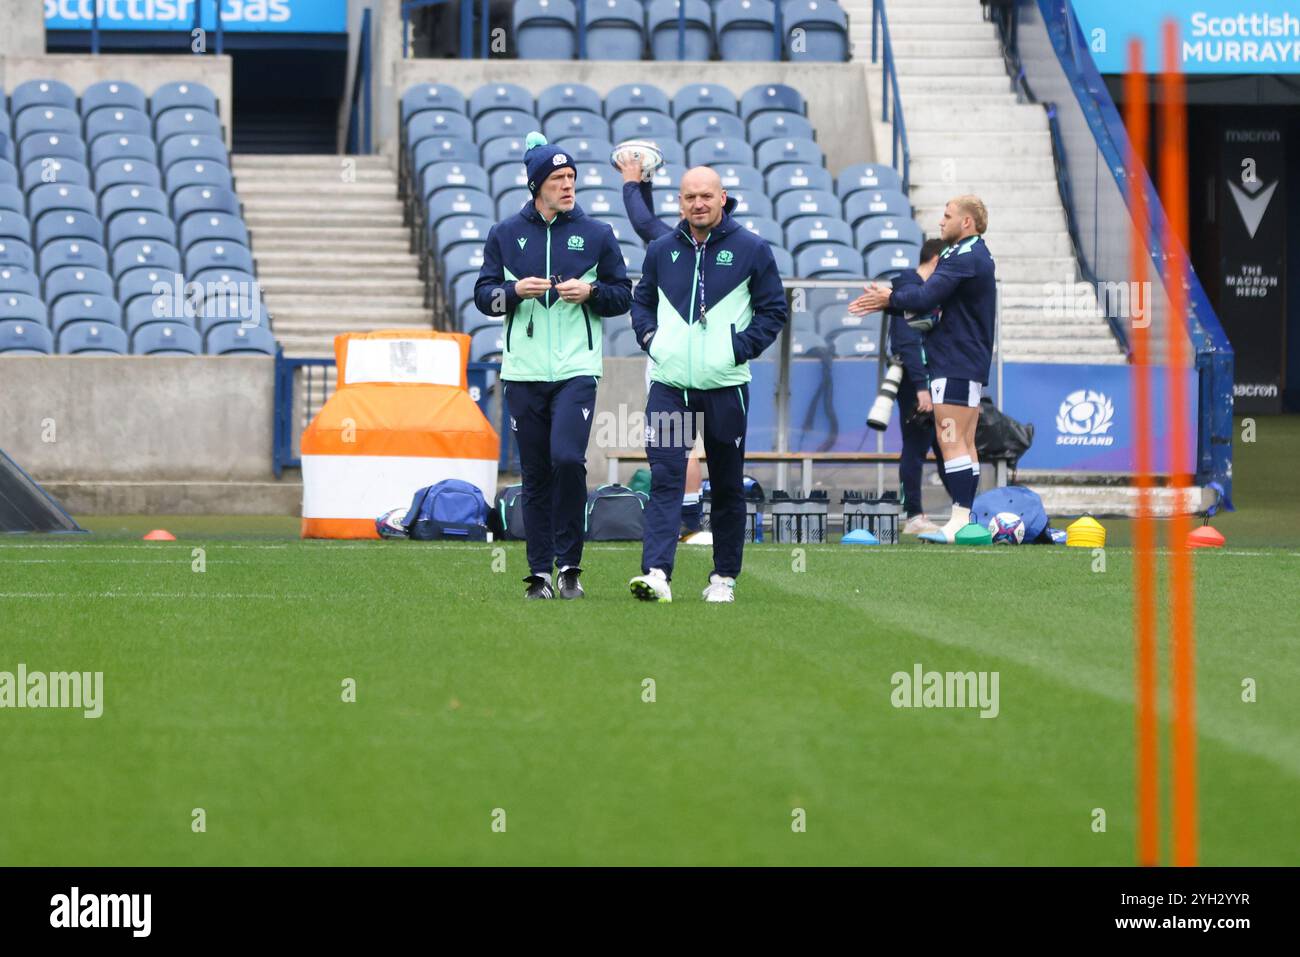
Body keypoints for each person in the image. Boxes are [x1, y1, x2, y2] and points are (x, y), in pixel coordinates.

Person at [475, 132, 632, 598]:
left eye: (571, 178)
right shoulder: (504, 235)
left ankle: (570, 565)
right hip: (522, 372)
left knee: (567, 460)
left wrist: (593, 293)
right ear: (536, 184)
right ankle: (540, 573)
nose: (568, 186)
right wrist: (514, 292)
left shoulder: (598, 234)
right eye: (558, 178)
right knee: (536, 472)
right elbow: (485, 296)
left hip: (576, 369)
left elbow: (622, 294)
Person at [628, 166, 788, 603]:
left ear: (723, 198)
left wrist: (738, 349)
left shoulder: (751, 249)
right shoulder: (662, 250)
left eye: (705, 196)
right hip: (671, 385)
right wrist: (652, 340)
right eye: (689, 197)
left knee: (727, 482)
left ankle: (723, 579)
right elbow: (640, 302)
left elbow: (774, 310)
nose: (697, 204)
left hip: (725, 386)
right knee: (666, 477)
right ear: (679, 202)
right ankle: (657, 572)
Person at [853, 196, 996, 544]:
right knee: (963, 442)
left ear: (966, 222)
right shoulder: (968, 254)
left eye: (947, 216)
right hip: (966, 360)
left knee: (951, 442)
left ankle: (959, 522)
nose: (940, 222)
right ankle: (965, 520)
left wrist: (890, 298)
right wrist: (892, 302)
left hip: (955, 361)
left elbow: (924, 298)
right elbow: (928, 308)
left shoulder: (965, 256)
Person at [850, 237, 954, 534]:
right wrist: (922, 387)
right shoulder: (908, 287)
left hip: (930, 380)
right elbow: (907, 341)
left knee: (945, 447)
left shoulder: (919, 289)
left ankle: (963, 509)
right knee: (917, 445)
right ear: (936, 261)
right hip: (916, 383)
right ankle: (914, 514)